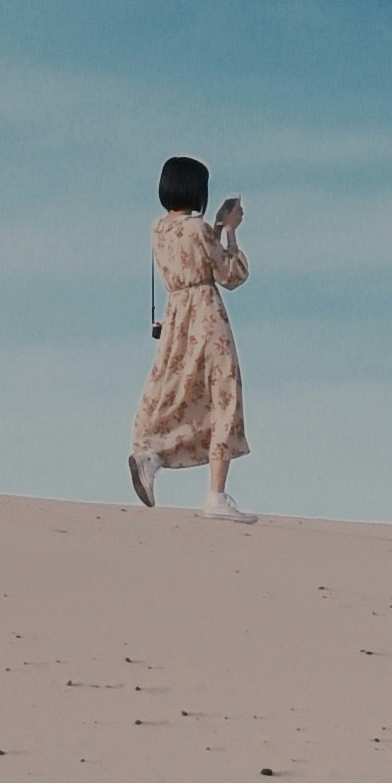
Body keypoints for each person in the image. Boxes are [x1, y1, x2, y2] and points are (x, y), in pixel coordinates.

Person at [129, 155, 254, 520]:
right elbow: (230, 274)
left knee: (172, 386)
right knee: (223, 394)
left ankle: (150, 451)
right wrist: (230, 231)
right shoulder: (198, 229)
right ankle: (216, 496)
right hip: (205, 313)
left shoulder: (158, 229)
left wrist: (215, 226)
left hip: (176, 315)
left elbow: (192, 250)